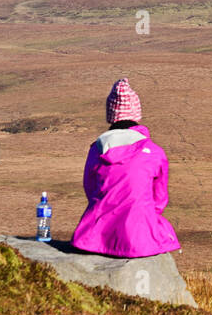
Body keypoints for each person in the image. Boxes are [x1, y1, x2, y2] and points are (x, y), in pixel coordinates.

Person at [71, 77, 181, 258]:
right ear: (136, 115)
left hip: (96, 236)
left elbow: (90, 190)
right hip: (140, 237)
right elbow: (159, 200)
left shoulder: (96, 150)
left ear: (111, 115)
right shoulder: (154, 152)